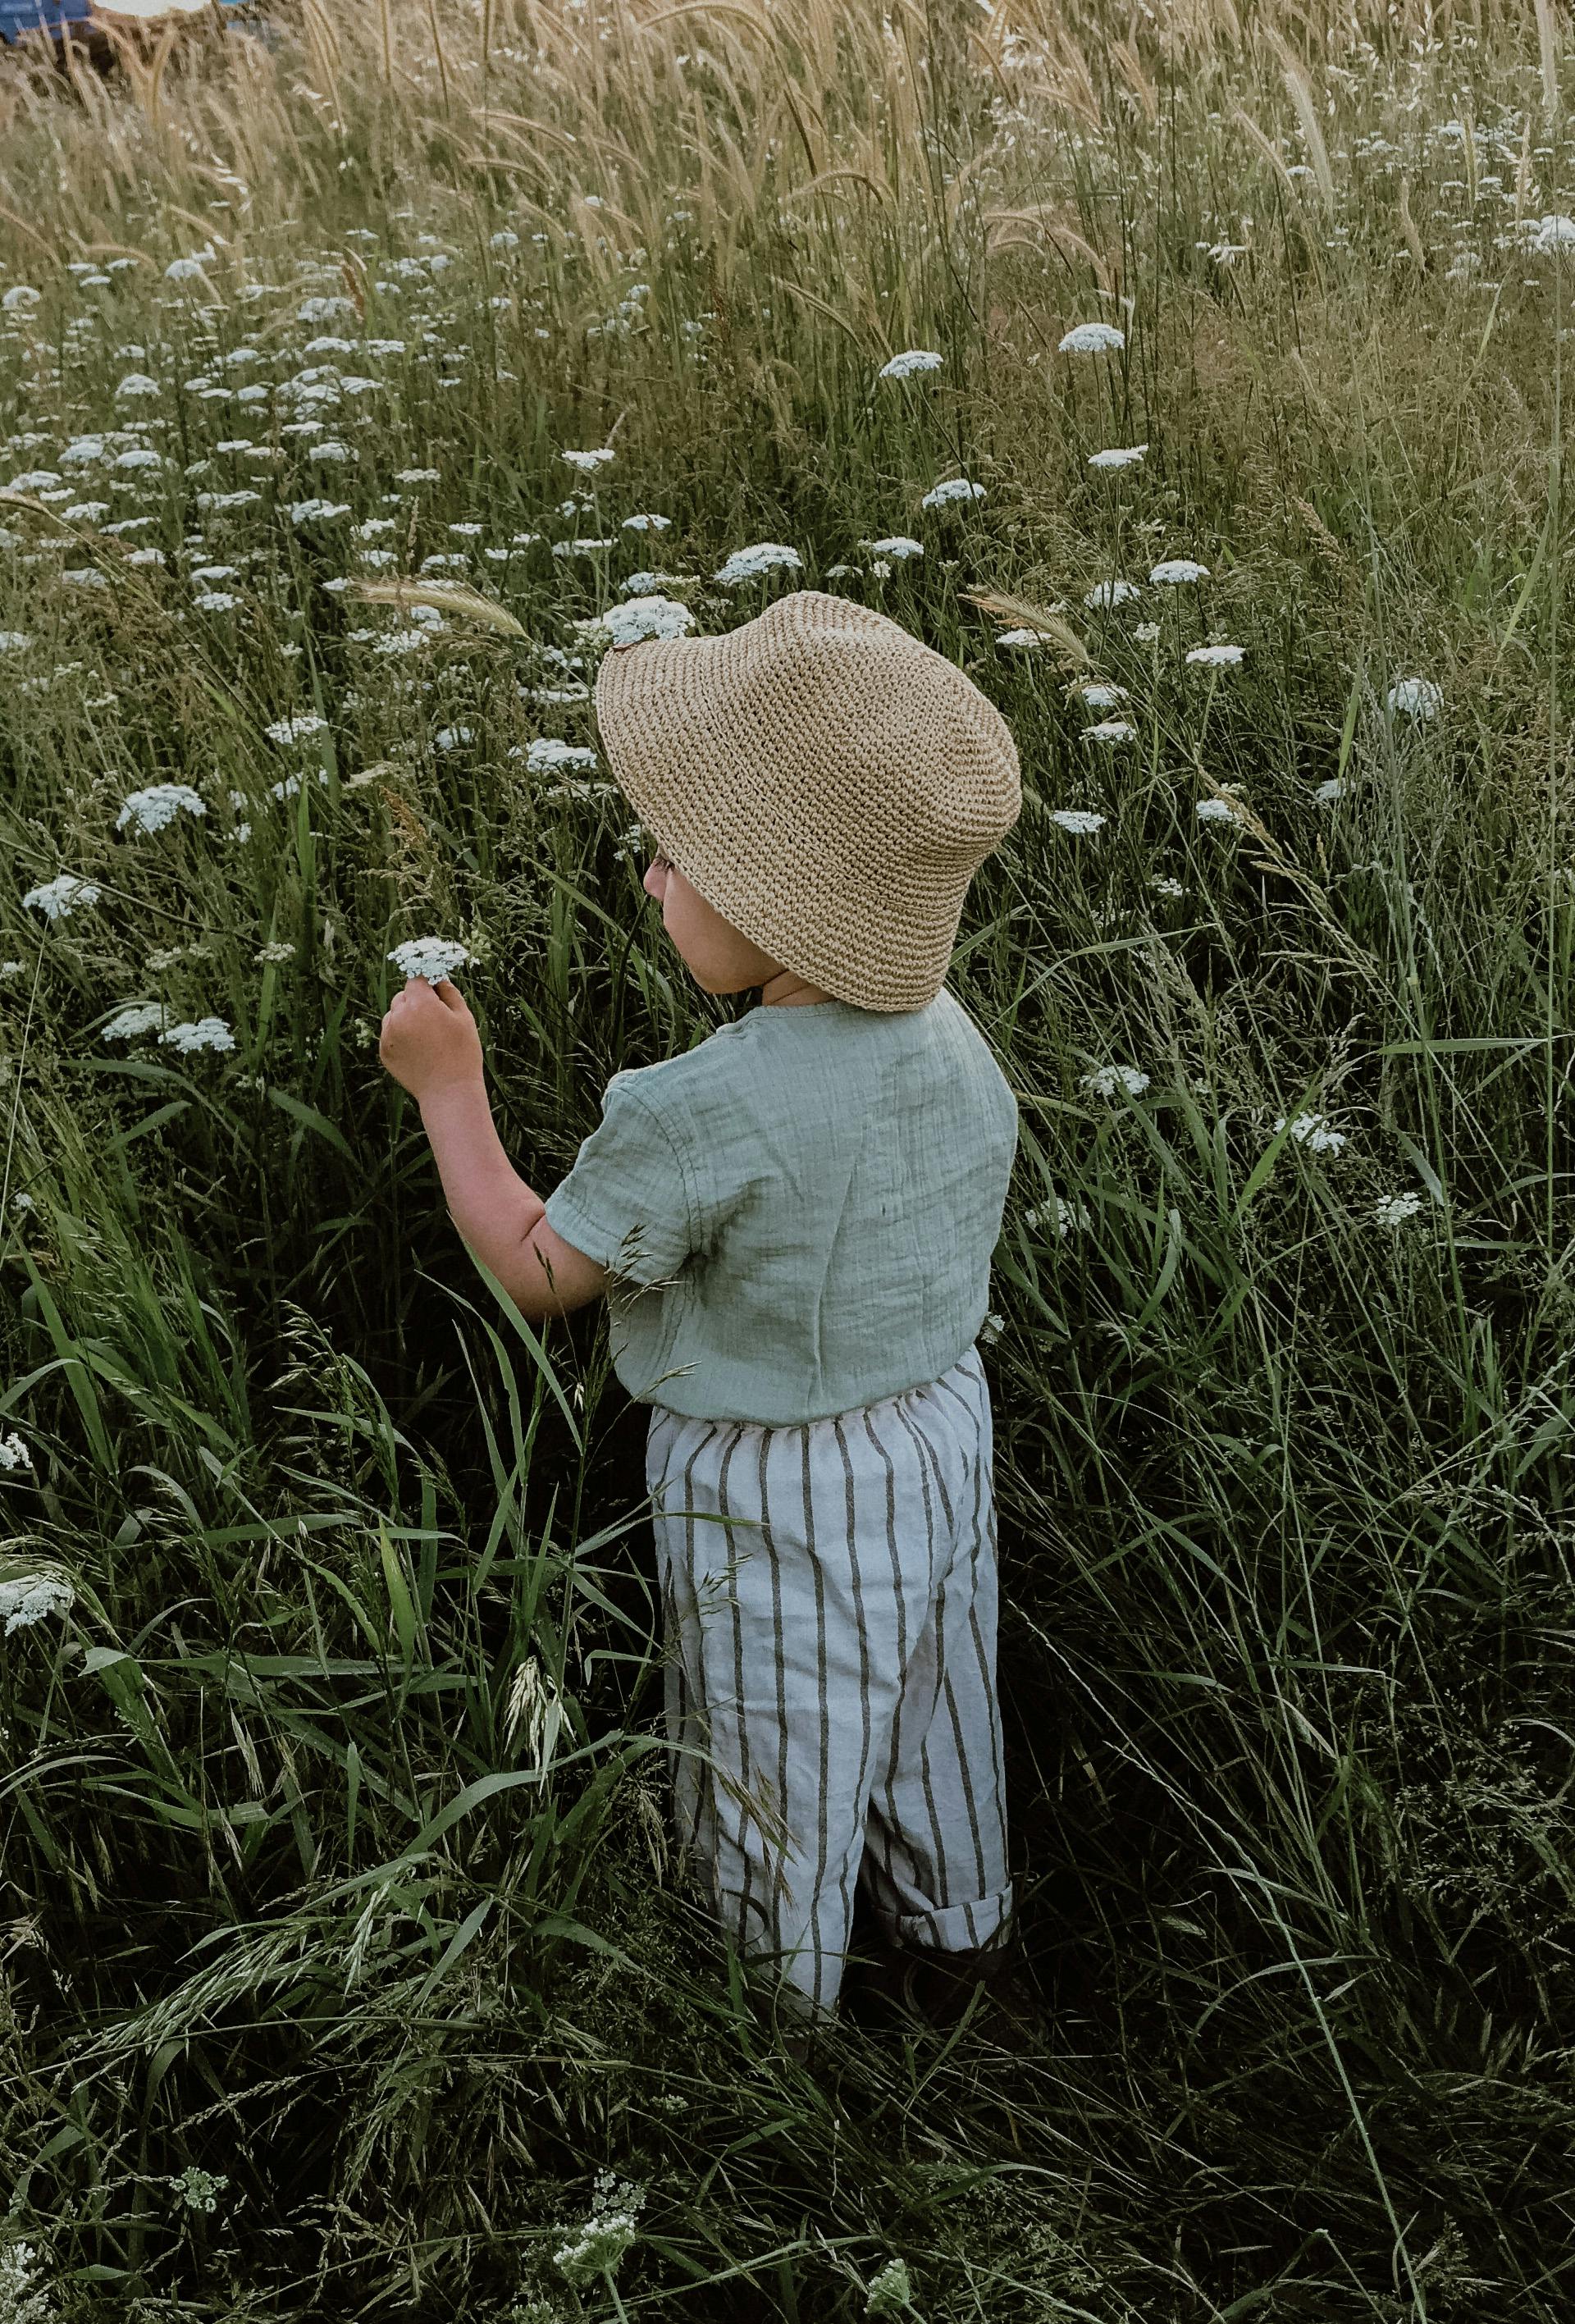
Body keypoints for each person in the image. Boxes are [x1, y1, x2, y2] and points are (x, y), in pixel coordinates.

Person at [379, 588, 1028, 2061]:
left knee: (774, 1752)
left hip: (771, 1479)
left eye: (685, 855)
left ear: (784, 902)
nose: (654, 873)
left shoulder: (695, 1108)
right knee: (939, 1708)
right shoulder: (956, 1040)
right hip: (939, 1433)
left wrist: (447, 1090)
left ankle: (767, 2030)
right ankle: (962, 1946)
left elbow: (544, 1270)